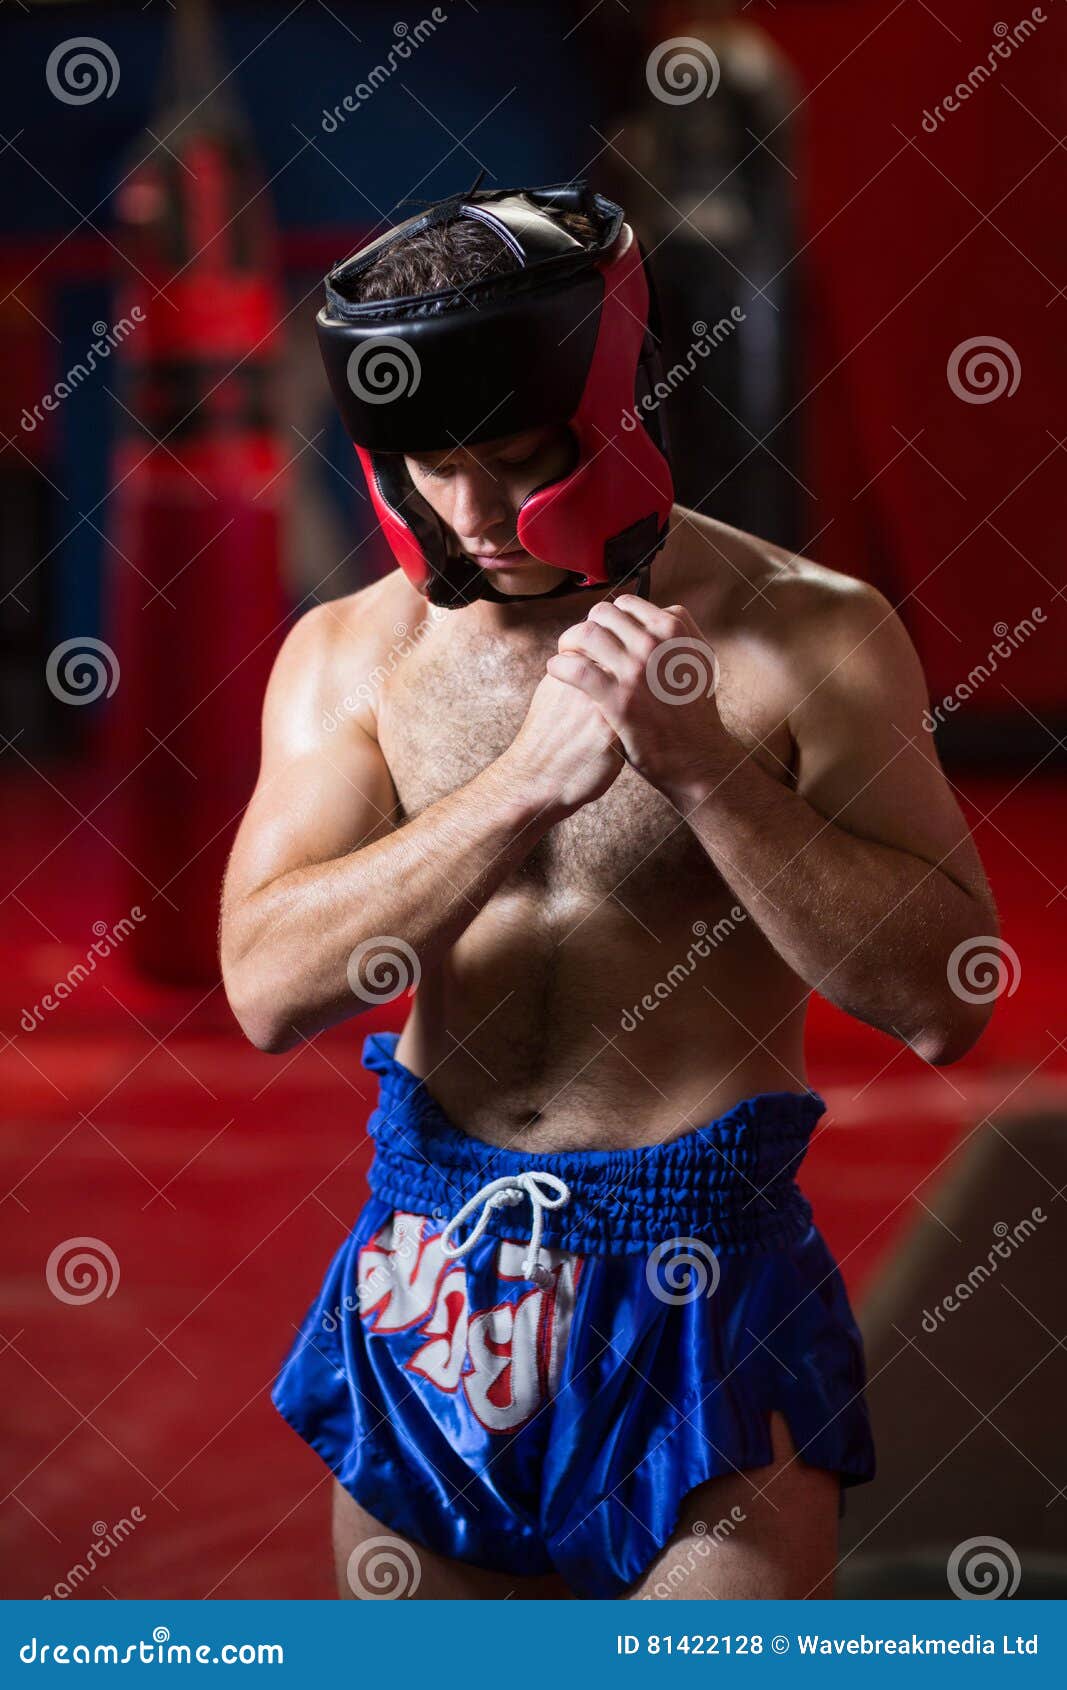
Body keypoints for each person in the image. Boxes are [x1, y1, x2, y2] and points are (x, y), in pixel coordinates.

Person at [219, 183, 997, 1600]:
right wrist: (523, 784)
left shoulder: (806, 635)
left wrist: (708, 777)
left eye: (516, 460)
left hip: (699, 1290)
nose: (475, 514)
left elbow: (951, 1001)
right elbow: (268, 986)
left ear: (622, 411)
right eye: (432, 468)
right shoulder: (350, 658)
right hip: (434, 1273)